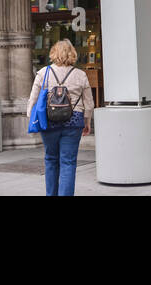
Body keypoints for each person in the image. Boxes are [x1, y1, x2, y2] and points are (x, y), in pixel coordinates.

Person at [27, 39, 94, 196]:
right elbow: (89, 103)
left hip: (48, 121)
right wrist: (87, 121)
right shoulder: (81, 75)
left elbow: (33, 100)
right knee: (68, 162)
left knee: (50, 159)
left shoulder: (43, 73)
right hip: (74, 121)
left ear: (53, 53)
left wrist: (32, 118)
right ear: (73, 54)